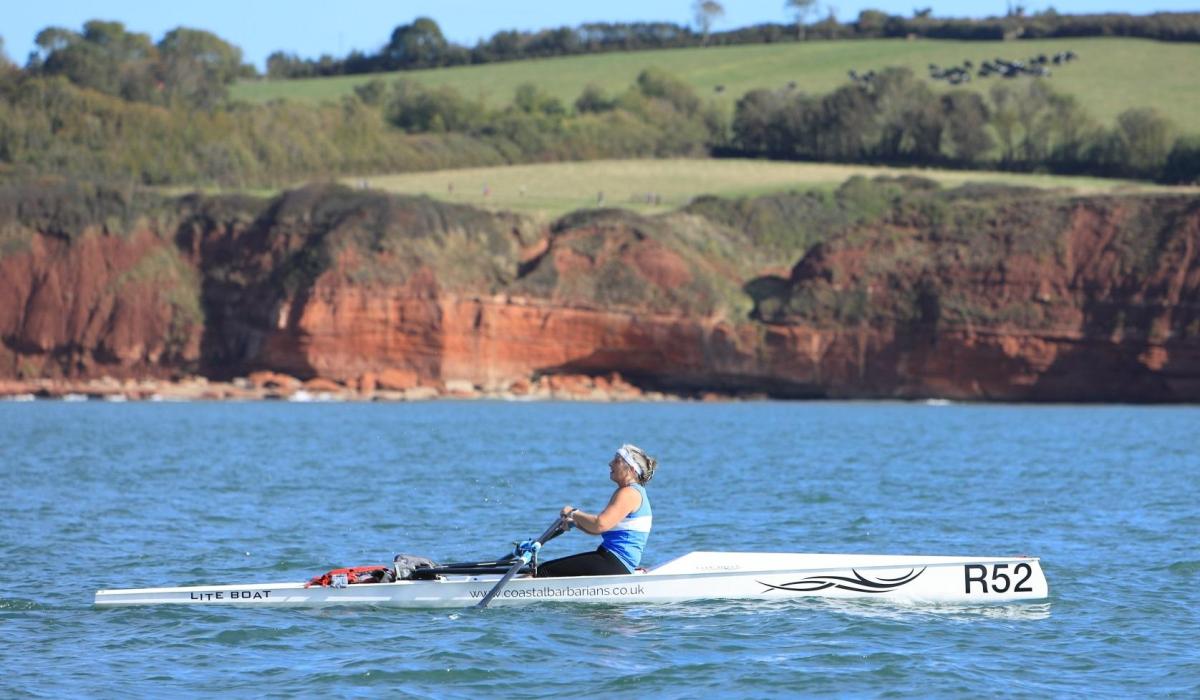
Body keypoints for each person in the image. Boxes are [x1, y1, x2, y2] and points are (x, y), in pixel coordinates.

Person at [536, 444, 657, 578]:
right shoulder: (633, 492)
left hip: (615, 561)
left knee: (543, 571)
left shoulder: (628, 493)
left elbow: (600, 524)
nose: (610, 464)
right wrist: (576, 523)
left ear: (631, 469)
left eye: (616, 461)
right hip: (613, 559)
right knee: (544, 569)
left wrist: (573, 512)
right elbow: (599, 528)